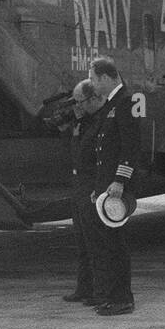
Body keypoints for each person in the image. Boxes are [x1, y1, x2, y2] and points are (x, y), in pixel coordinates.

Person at [87, 56, 140, 316]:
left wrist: (120, 180)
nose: (93, 85)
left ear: (107, 78)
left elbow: (131, 148)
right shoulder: (111, 105)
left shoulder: (126, 102)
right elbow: (105, 153)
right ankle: (112, 296)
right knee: (109, 244)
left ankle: (123, 299)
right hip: (107, 188)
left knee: (116, 244)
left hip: (117, 188)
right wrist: (100, 186)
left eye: (95, 79)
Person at [62, 79, 102, 305]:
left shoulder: (99, 123)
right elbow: (73, 153)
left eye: (80, 102)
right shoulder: (83, 123)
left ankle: (99, 290)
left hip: (89, 184)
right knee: (82, 242)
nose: (77, 106)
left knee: (94, 241)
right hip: (78, 185)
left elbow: (91, 156)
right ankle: (84, 288)